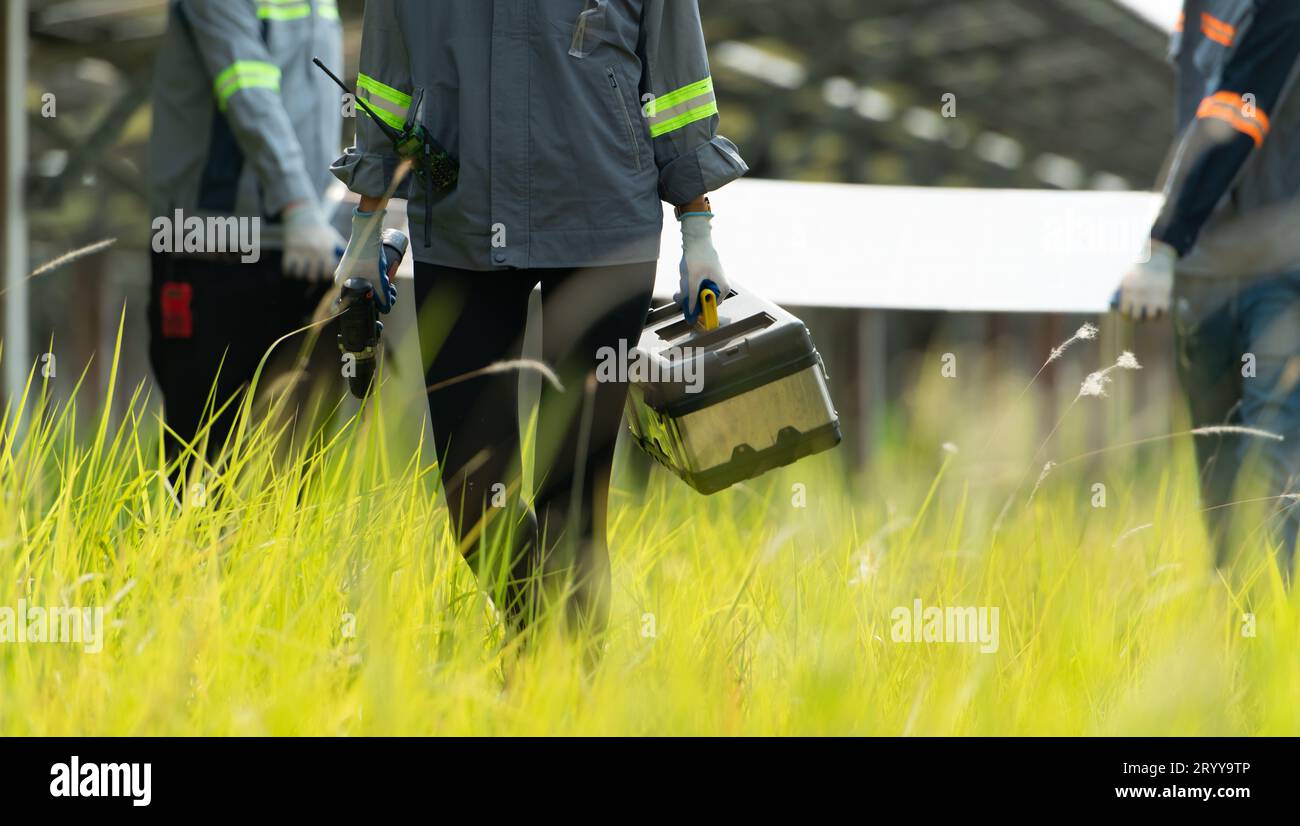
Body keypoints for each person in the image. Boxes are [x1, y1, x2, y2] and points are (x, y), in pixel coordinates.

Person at [331, 0, 748, 637]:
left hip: (604, 231)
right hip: (462, 229)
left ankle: (557, 687)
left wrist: (699, 232)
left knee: (573, 497)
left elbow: (677, 83)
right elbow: (388, 88)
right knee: (473, 495)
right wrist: (371, 228)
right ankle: (557, 647)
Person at [1119, 0, 1300, 584]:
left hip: (1282, 269)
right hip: (1203, 274)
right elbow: (1194, 124)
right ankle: (1239, 647)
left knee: (1272, 465)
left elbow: (1237, 112)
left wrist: (1165, 242)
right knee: (1219, 474)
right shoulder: (1196, 8)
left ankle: (1281, 642)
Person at [148, 0, 345, 468]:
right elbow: (246, 84)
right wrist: (297, 203)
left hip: (303, 249)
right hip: (213, 245)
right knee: (206, 458)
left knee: (295, 465)